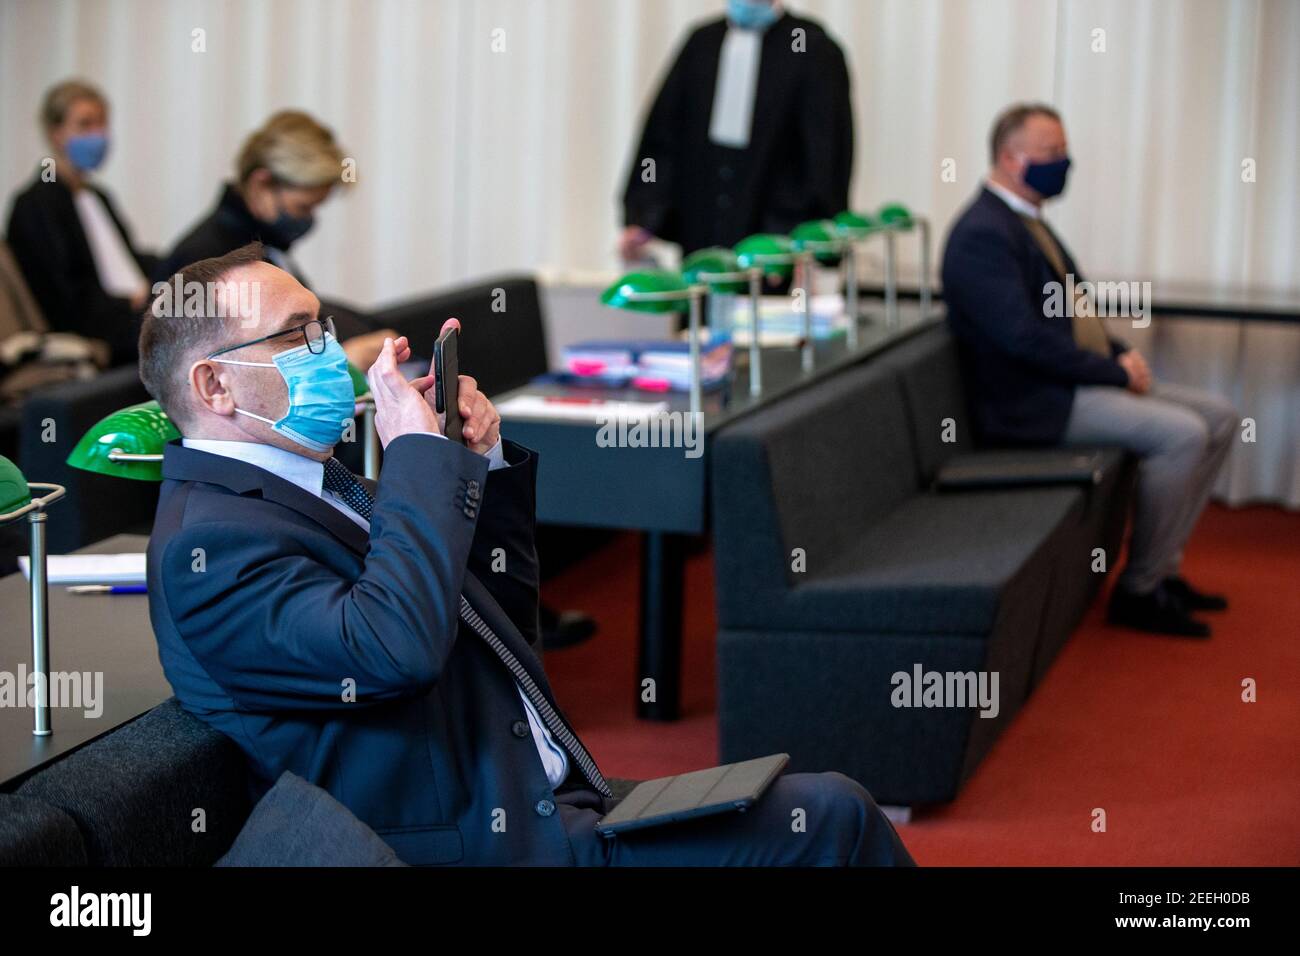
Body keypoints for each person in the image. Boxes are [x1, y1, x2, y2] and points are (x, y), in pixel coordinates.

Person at [140, 242, 913, 866]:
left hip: (548, 799)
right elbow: (388, 650)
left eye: (325, 328)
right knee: (831, 818)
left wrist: (484, 464)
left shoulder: (315, 478)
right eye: (298, 335)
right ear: (214, 384)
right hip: (476, 843)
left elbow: (495, 620)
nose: (328, 352)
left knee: (827, 805)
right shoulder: (208, 542)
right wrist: (416, 461)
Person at [941, 103, 1237, 639]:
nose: (1064, 163)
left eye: (1064, 151)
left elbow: (1074, 313)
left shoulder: (1029, 225)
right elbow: (1021, 339)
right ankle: (1139, 591)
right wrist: (1113, 375)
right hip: (1030, 405)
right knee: (1182, 435)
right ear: (1011, 158)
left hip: (1069, 382)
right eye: (1052, 153)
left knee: (1219, 416)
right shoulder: (983, 233)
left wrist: (1120, 356)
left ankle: (1164, 569)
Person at [155, 110, 393, 371]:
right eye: (302, 208)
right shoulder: (208, 258)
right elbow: (230, 373)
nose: (308, 220)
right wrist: (341, 363)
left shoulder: (265, 247)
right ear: (261, 184)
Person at [619, 0, 853, 261]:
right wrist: (643, 215)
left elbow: (825, 155)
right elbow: (660, 141)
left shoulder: (809, 46)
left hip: (775, 235)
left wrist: (800, 238)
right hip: (702, 225)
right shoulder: (703, 43)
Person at [5, 79, 155, 365]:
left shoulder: (98, 196)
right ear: (56, 133)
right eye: (85, 125)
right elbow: (63, 299)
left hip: (134, 314)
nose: (99, 135)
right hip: (95, 331)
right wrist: (130, 304)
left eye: (102, 124)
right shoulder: (35, 204)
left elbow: (128, 260)